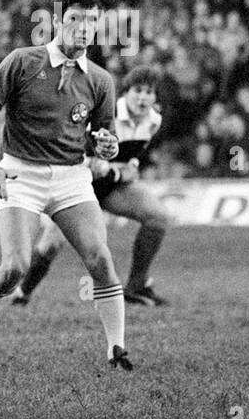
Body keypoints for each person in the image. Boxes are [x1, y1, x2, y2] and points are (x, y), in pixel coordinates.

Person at [0, 0, 132, 371]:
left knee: (100, 258)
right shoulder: (23, 62)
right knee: (15, 267)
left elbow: (102, 136)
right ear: (58, 22)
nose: (83, 28)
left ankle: (117, 350)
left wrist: (106, 146)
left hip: (71, 177)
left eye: (91, 22)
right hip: (20, 173)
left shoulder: (101, 80)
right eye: (75, 19)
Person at [12, 64, 171, 307]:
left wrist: (130, 166)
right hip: (76, 182)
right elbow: (71, 148)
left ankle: (137, 286)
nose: (143, 97)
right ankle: (22, 293)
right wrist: (104, 167)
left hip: (108, 186)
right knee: (52, 241)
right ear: (125, 91)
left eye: (149, 92)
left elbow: (132, 156)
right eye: (138, 90)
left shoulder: (153, 120)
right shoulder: (107, 113)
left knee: (158, 216)